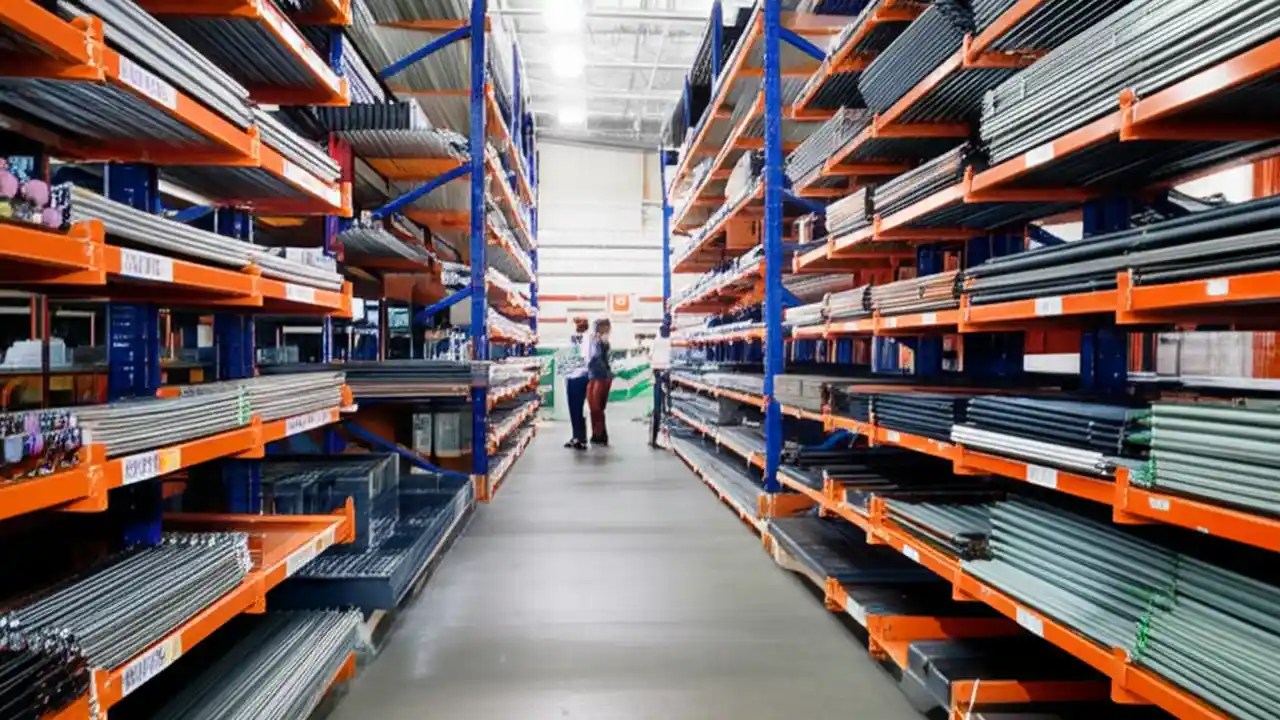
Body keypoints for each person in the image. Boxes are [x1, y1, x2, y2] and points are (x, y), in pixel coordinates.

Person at [563, 317, 590, 450]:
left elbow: (583, 358)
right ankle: (578, 436)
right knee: (577, 409)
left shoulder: (585, 339)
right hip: (576, 375)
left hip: (578, 376)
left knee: (576, 408)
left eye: (578, 323)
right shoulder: (577, 338)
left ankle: (580, 437)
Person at [586, 318, 613, 446]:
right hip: (595, 376)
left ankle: (600, 434)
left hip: (601, 377)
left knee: (597, 407)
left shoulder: (601, 341)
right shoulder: (597, 341)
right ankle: (597, 433)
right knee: (594, 407)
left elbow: (596, 358)